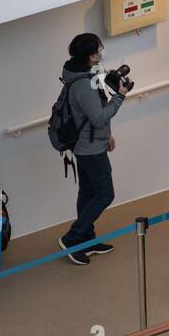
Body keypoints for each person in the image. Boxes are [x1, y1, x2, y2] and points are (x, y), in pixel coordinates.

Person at [58, 33, 127, 264]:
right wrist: (120, 97)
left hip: (89, 144)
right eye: (100, 48)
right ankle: (73, 237)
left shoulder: (83, 76)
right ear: (90, 55)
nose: (102, 50)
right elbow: (97, 117)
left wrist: (107, 135)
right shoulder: (83, 85)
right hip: (90, 150)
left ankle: (86, 240)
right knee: (106, 194)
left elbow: (94, 114)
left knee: (87, 194)